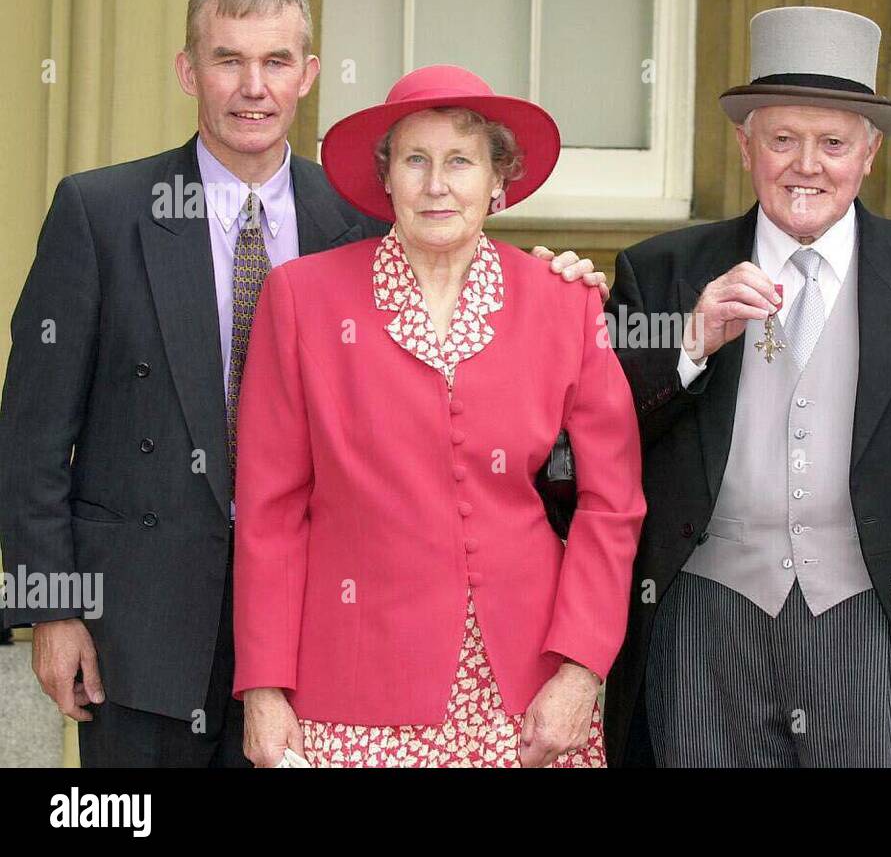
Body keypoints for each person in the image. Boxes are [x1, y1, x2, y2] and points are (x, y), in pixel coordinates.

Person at [0, 0, 604, 768]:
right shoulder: (101, 213)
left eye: (276, 62)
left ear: (308, 75)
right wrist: (52, 608)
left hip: (319, 639)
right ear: (189, 70)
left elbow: (466, 296)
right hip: (141, 628)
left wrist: (563, 278)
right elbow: (32, 433)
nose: (253, 87)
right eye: (228, 60)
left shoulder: (363, 219)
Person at [599, 6, 891, 767]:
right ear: (746, 146)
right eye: (782, 140)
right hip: (706, 628)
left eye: (833, 143)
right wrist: (687, 347)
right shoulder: (662, 271)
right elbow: (596, 449)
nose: (808, 165)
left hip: (886, 628)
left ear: (868, 154)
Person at [234, 65, 646, 768]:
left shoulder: (563, 301)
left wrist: (581, 667)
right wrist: (265, 688)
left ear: (498, 181)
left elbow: (613, 504)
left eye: (460, 161)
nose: (436, 184)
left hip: (529, 695)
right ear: (385, 178)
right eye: (415, 159)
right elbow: (270, 509)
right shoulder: (303, 298)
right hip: (353, 687)